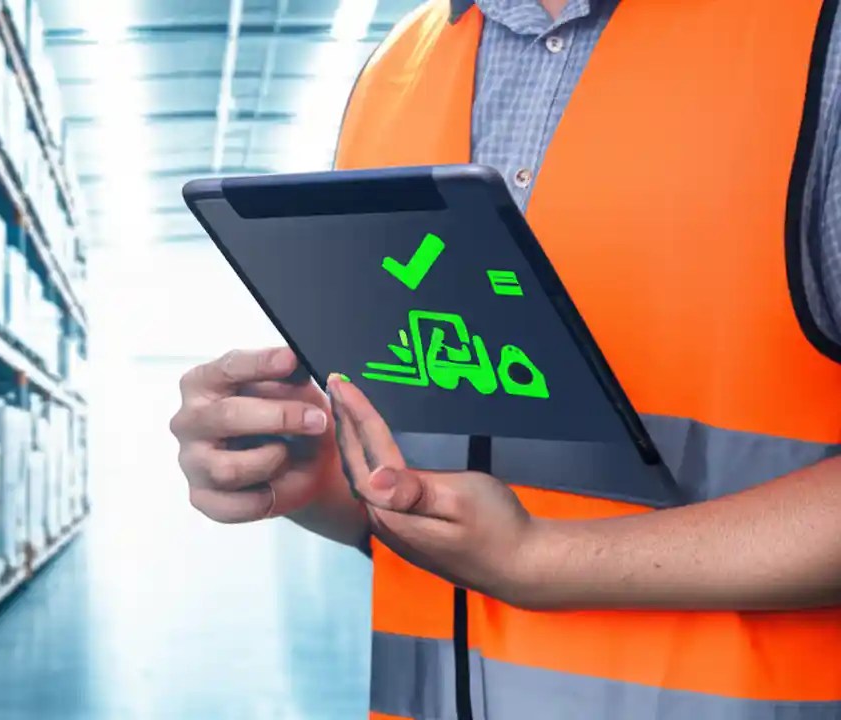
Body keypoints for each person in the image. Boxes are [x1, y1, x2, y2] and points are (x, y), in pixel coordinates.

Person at [170, 1, 841, 718]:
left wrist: (542, 561)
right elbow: (440, 462)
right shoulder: (394, 71)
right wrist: (323, 480)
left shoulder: (814, 41)